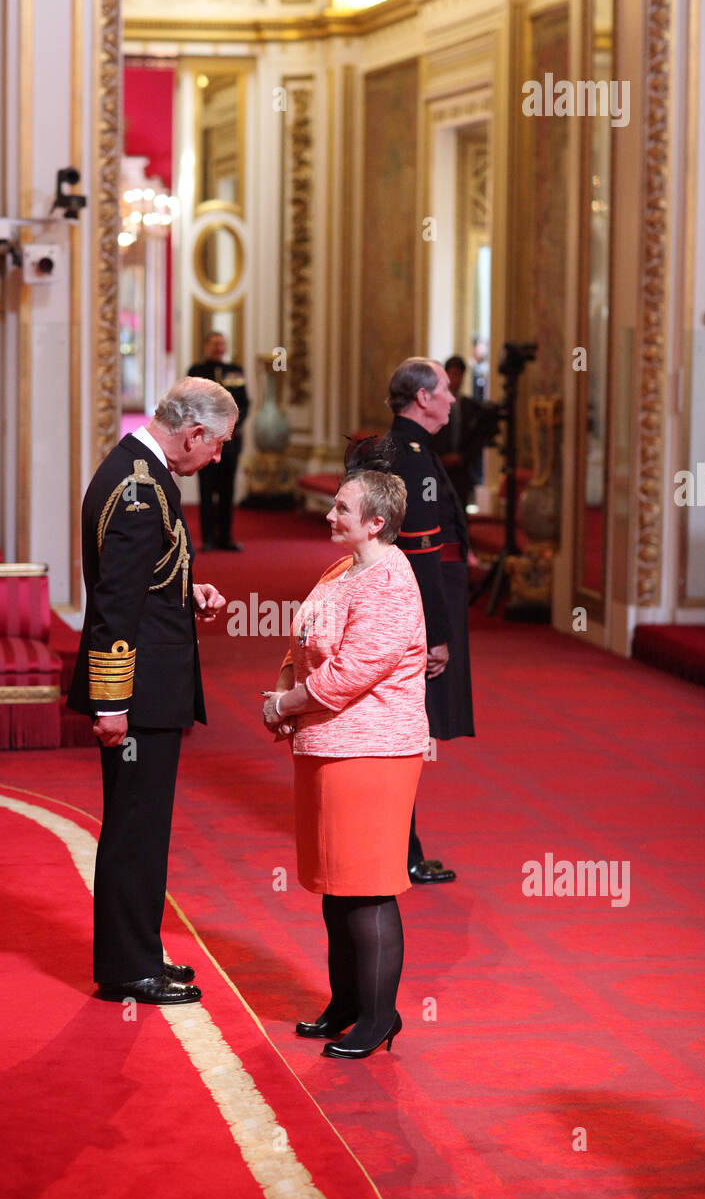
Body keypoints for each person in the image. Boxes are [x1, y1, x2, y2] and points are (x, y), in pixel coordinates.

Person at [67, 378, 237, 1005]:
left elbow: (139, 579)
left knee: (143, 827)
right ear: (193, 433)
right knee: (135, 829)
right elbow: (113, 606)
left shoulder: (139, 468)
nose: (217, 457)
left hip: (147, 687)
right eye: (217, 445)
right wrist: (112, 703)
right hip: (138, 696)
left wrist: (185, 591)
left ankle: (140, 953)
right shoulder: (141, 487)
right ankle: (126, 969)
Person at [263, 470, 427, 1059]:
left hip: (371, 752)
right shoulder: (344, 568)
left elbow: (351, 674)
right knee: (336, 885)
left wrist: (285, 704)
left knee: (368, 888)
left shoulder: (389, 579)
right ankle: (347, 1004)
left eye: (341, 509)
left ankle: (379, 1018)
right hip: (325, 745)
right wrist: (282, 695)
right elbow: (299, 643)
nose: (329, 515)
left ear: (376, 522)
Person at [345, 358, 475, 885]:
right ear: (422, 398)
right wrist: (437, 637)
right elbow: (423, 555)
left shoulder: (398, 449)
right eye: (444, 390)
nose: (451, 398)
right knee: (405, 734)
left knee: (398, 731)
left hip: (393, 609)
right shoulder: (414, 459)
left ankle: (401, 843)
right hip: (416, 614)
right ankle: (401, 849)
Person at [187, 331, 250, 551]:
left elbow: (243, 402)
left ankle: (225, 537)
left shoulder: (235, 371)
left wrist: (231, 429)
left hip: (230, 442)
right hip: (205, 440)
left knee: (227, 490)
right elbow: (192, 403)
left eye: (222, 344)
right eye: (214, 343)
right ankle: (208, 539)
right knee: (206, 489)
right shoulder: (197, 371)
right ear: (206, 346)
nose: (219, 347)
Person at [431, 355, 485, 513]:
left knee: (459, 513)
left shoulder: (470, 406)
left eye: (458, 375)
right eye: (451, 374)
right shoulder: (434, 404)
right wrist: (441, 457)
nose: (455, 379)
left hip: (462, 471)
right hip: (438, 469)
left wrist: (462, 457)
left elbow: (476, 439)